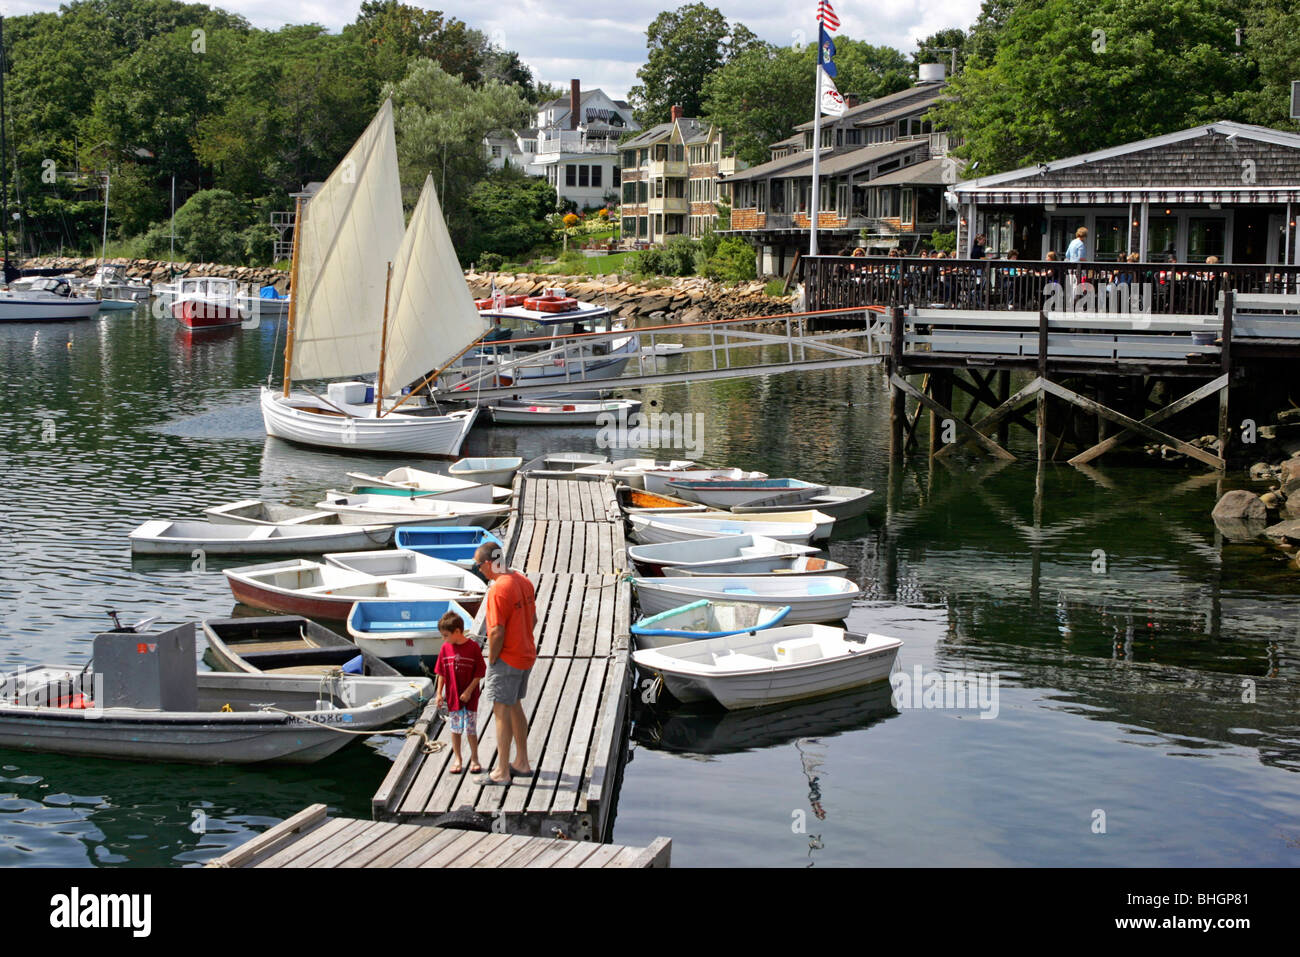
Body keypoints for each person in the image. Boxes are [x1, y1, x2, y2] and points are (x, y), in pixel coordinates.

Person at [474, 542, 537, 784]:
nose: (479, 570)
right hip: (525, 654)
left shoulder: (498, 589)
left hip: (507, 658)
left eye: (479, 566)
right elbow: (533, 619)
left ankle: (501, 772)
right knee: (514, 706)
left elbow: (496, 632)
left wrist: (492, 658)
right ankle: (521, 762)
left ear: (489, 563)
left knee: (500, 711)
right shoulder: (523, 580)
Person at [433, 611, 485, 775]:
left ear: (457, 632)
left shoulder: (473, 647)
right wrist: (439, 694)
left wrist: (469, 691)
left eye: (446, 635)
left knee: (471, 729)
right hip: (453, 697)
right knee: (455, 729)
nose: (444, 639)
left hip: (470, 698)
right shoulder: (445, 649)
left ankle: (475, 758)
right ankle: (458, 758)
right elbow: (441, 672)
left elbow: (480, 672)